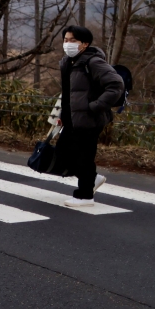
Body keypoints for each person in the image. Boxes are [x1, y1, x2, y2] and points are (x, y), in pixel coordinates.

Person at [56, 25, 124, 207]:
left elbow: (116, 85)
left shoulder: (93, 62)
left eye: (73, 40)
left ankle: (85, 196)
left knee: (84, 156)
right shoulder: (68, 62)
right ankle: (92, 179)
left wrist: (94, 107)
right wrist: (63, 114)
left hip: (89, 118)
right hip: (72, 118)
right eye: (65, 40)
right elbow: (69, 94)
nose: (68, 43)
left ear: (85, 44)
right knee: (63, 153)